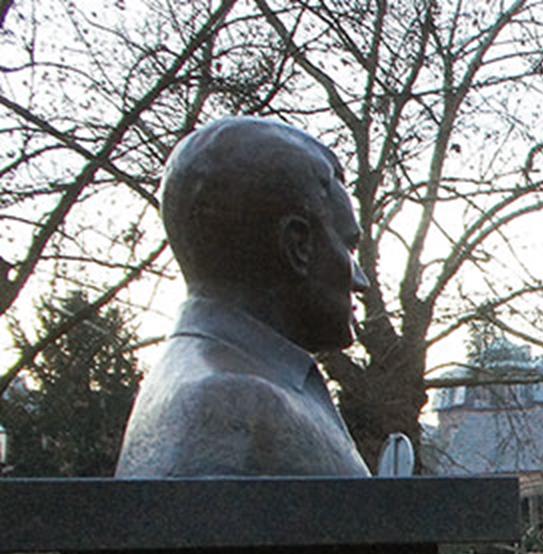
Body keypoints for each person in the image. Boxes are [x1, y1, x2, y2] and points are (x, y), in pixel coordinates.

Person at [118, 117, 371, 478]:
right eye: (348, 247)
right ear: (297, 244)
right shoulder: (232, 399)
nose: (361, 281)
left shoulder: (218, 382)